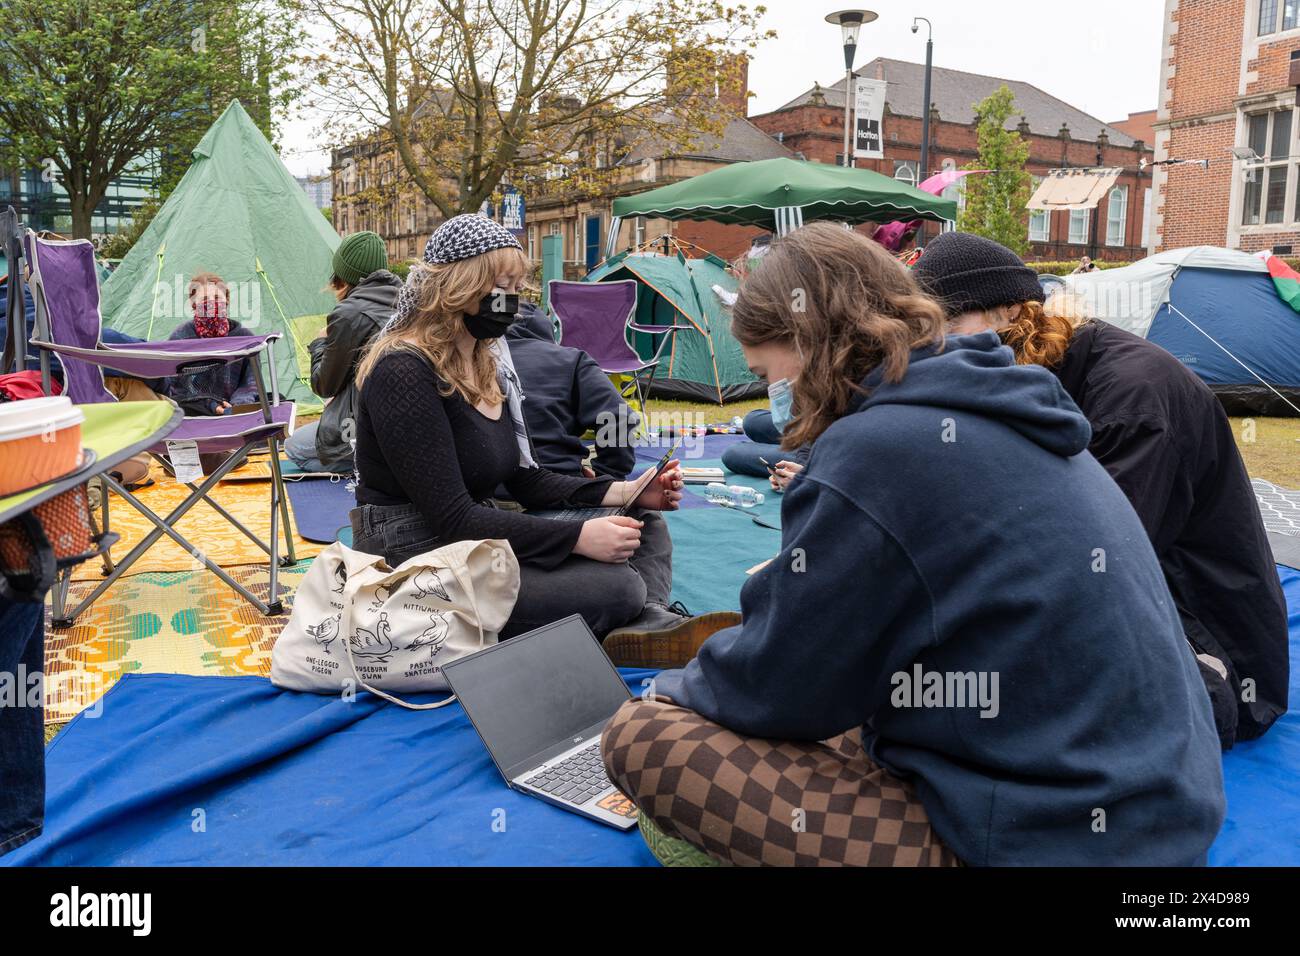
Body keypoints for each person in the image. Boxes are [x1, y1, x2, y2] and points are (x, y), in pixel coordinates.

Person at [601, 222, 1224, 867]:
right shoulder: (999, 406)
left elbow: (782, 682)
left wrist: (678, 691)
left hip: (1051, 837)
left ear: (808, 342)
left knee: (643, 737)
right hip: (1158, 814)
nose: (772, 395)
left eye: (767, 372)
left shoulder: (878, 451)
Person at [914, 232, 1289, 749]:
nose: (939, 347)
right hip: (1132, 590)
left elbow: (1092, 568)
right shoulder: (1039, 369)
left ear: (1011, 311)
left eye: (949, 324)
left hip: (1205, 633)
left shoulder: (1133, 400)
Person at [351, 214, 736, 643]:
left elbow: (523, 480)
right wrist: (577, 536)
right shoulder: (403, 369)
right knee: (617, 586)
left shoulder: (484, 363)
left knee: (642, 522)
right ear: (459, 287)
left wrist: (625, 492)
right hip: (416, 555)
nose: (511, 302)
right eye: (502, 288)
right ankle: (635, 619)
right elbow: (452, 518)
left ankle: (646, 623)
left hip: (474, 538)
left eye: (517, 289)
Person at [286, 231, 401, 474]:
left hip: (365, 424)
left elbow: (324, 385)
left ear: (342, 275)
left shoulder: (349, 314)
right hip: (403, 421)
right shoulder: (407, 301)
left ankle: (370, 467)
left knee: (293, 448)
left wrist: (320, 343)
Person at [503, 300, 637, 479]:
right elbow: (618, 416)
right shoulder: (571, 360)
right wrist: (608, 476)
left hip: (478, 495)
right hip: (559, 483)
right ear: (546, 328)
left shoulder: (468, 364)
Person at [163, 272, 259, 416]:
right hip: (193, 410)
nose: (212, 304)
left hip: (234, 409)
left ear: (226, 300)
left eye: (216, 298)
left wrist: (237, 406)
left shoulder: (244, 337)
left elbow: (251, 381)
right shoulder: (180, 338)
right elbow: (174, 387)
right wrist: (210, 404)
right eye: (205, 299)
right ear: (194, 304)